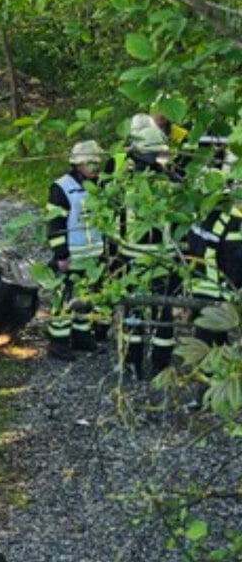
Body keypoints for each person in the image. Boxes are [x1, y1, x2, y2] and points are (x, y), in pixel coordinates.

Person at [107, 116, 180, 378]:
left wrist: (112, 258)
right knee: (164, 314)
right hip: (166, 261)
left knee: (133, 313)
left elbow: (113, 226)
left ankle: (133, 363)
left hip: (130, 259)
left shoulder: (124, 186)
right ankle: (161, 365)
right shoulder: (173, 186)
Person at [45, 140, 106, 359]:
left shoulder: (100, 186)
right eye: (90, 164)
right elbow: (55, 225)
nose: (95, 168)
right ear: (78, 164)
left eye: (97, 164)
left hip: (93, 258)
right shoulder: (61, 188)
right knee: (64, 300)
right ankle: (58, 343)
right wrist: (61, 255)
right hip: (71, 257)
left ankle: (82, 337)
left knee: (87, 298)